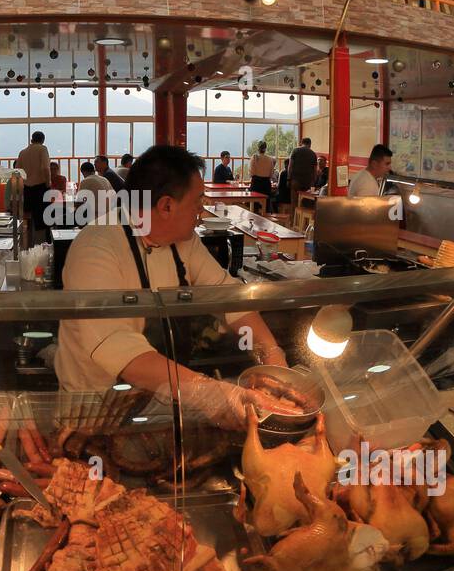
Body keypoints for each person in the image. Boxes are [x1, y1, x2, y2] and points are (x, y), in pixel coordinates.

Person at [56, 146, 289, 429]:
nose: (200, 213)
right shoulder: (96, 248)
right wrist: (209, 393)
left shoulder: (184, 241)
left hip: (162, 401)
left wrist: (271, 353)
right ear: (166, 205)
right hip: (95, 412)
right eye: (196, 203)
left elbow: (228, 297)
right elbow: (117, 347)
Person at [15, 131, 50, 237]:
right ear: (43, 140)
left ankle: (27, 241)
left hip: (26, 188)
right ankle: (42, 243)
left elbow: (17, 170)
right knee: (42, 217)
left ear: (31, 140)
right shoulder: (42, 149)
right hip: (40, 187)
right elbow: (45, 167)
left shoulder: (23, 152)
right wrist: (48, 183)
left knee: (27, 216)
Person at [249, 141, 276, 206]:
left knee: (254, 205)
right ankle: (265, 216)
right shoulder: (270, 159)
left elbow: (251, 173)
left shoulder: (254, 157)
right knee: (265, 205)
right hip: (266, 183)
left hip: (256, 183)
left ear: (258, 148)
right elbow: (271, 174)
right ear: (265, 148)